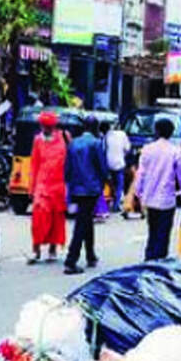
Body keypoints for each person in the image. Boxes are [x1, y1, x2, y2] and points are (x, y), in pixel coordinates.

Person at [63, 115, 110, 274]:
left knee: (86, 220)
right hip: (91, 188)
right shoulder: (96, 143)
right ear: (96, 128)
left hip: (77, 187)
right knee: (82, 223)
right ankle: (71, 260)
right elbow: (102, 166)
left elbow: (67, 168)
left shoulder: (74, 143)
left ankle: (90, 255)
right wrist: (105, 181)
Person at [135, 117, 181, 261]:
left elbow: (141, 172)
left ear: (156, 131)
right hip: (166, 200)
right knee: (163, 234)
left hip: (150, 199)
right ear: (171, 133)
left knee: (152, 231)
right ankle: (159, 262)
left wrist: (138, 192)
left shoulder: (147, 149)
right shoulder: (175, 151)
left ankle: (149, 259)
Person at [28, 112, 68, 264]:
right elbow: (34, 164)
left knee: (56, 220)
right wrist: (31, 188)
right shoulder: (37, 140)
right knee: (38, 218)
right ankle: (36, 250)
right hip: (42, 185)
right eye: (43, 126)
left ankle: (52, 249)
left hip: (58, 185)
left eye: (48, 126)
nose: (45, 128)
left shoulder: (64, 138)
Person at [103, 120, 131, 212]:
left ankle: (106, 203)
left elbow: (103, 149)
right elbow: (127, 148)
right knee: (119, 185)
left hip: (108, 163)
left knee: (109, 183)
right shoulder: (123, 135)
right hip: (119, 163)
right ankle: (116, 205)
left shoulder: (107, 135)